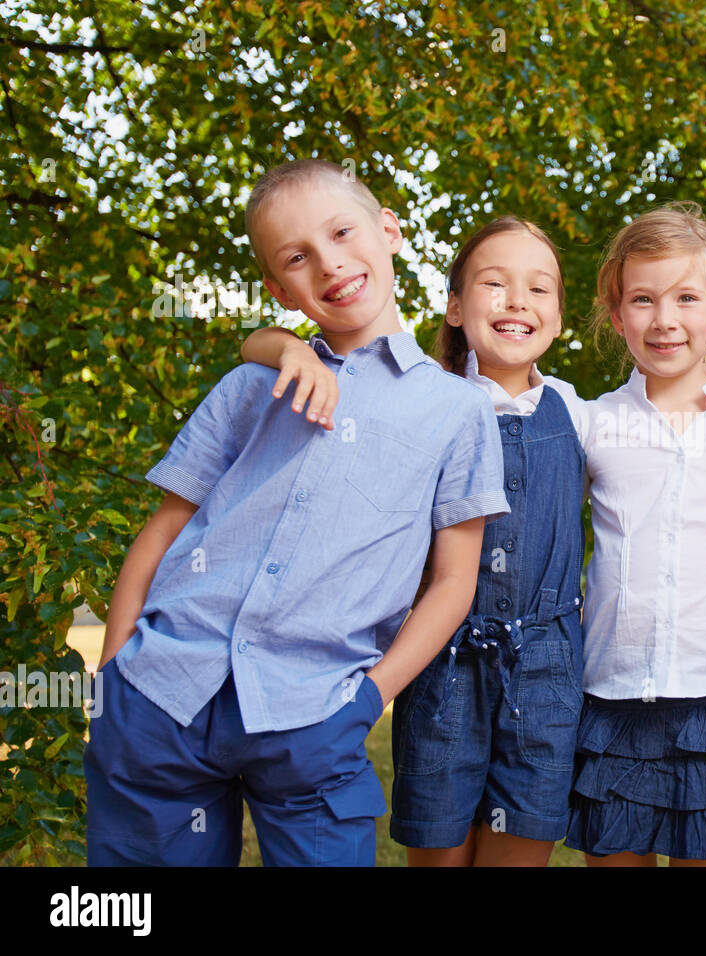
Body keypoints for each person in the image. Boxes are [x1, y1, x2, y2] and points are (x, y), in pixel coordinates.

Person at [84, 159, 506, 866]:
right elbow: (163, 531)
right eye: (298, 259)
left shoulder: (458, 410)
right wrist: (116, 669)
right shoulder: (252, 386)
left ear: (389, 230)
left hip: (314, 714)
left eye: (343, 233)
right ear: (279, 289)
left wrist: (366, 704)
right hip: (162, 693)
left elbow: (454, 582)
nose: (330, 264)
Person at [242, 216, 588, 866]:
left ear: (559, 318)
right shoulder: (420, 400)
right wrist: (287, 349)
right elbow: (260, 340)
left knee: (521, 846)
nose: (518, 301)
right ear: (456, 306)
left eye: (540, 289)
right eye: (495, 283)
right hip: (443, 665)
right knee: (438, 847)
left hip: (546, 670)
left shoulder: (581, 412)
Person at [567, 204, 706, 866]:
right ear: (617, 316)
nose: (665, 320)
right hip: (613, 697)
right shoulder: (593, 423)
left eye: (687, 297)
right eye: (643, 300)